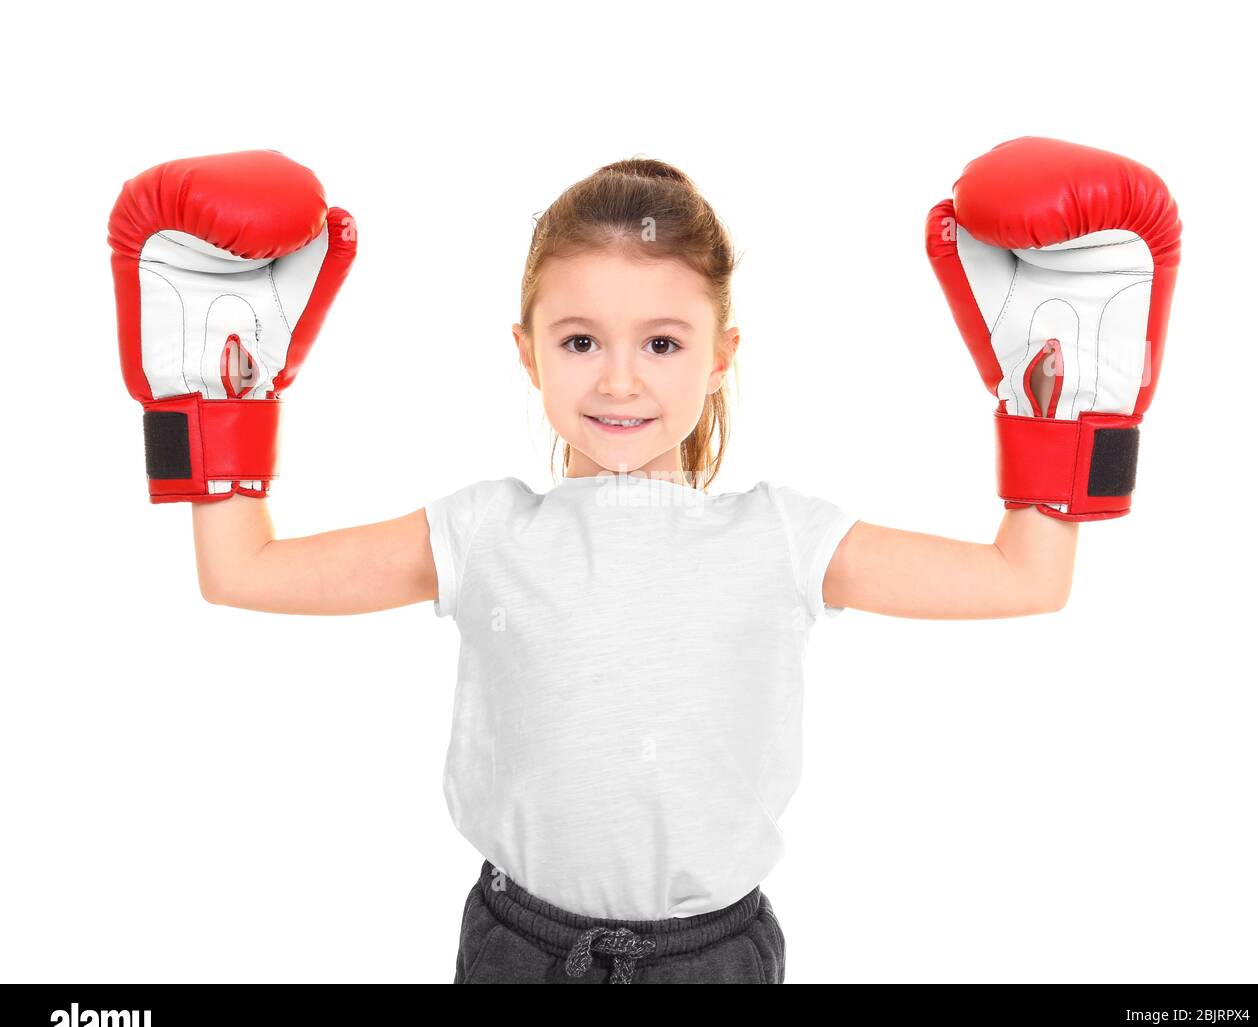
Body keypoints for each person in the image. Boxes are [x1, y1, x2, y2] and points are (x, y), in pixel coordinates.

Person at [107, 139, 1179, 983]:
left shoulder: (781, 537)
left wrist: (1066, 410)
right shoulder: (481, 532)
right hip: (516, 945)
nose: (619, 379)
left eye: (662, 342)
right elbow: (240, 569)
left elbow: (1025, 578)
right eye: (580, 340)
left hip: (712, 958)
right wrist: (216, 397)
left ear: (721, 356)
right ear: (526, 351)